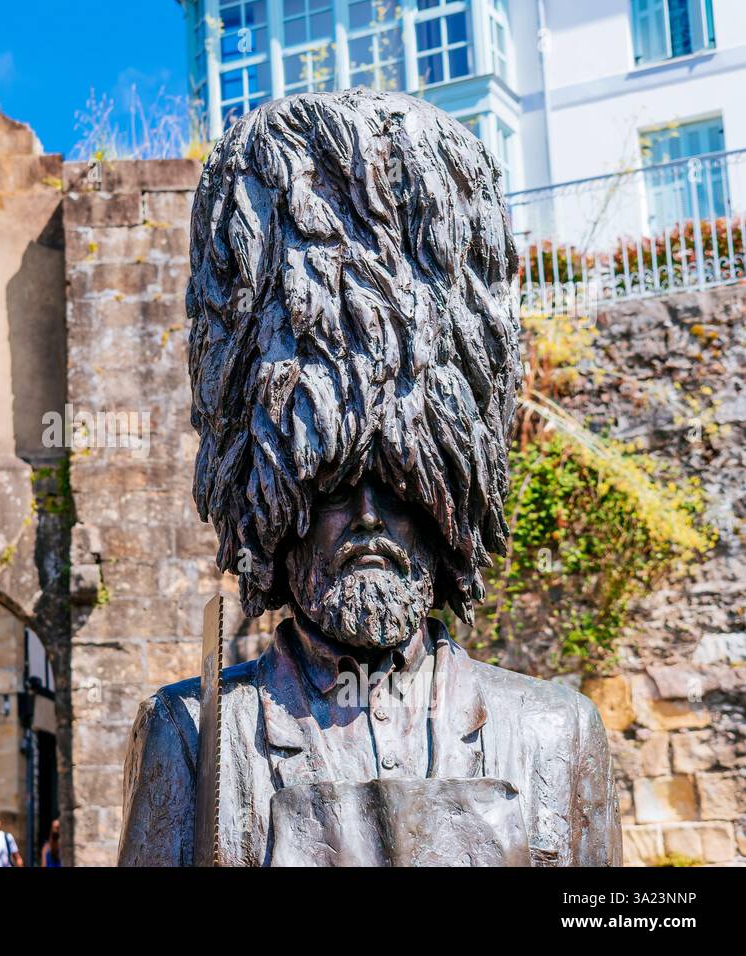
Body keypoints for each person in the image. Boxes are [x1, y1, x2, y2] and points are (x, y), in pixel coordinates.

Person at [118, 90, 620, 867]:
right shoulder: (193, 741)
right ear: (274, 499)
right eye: (333, 480)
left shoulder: (554, 733)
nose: (369, 517)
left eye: (403, 482)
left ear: (451, 495)